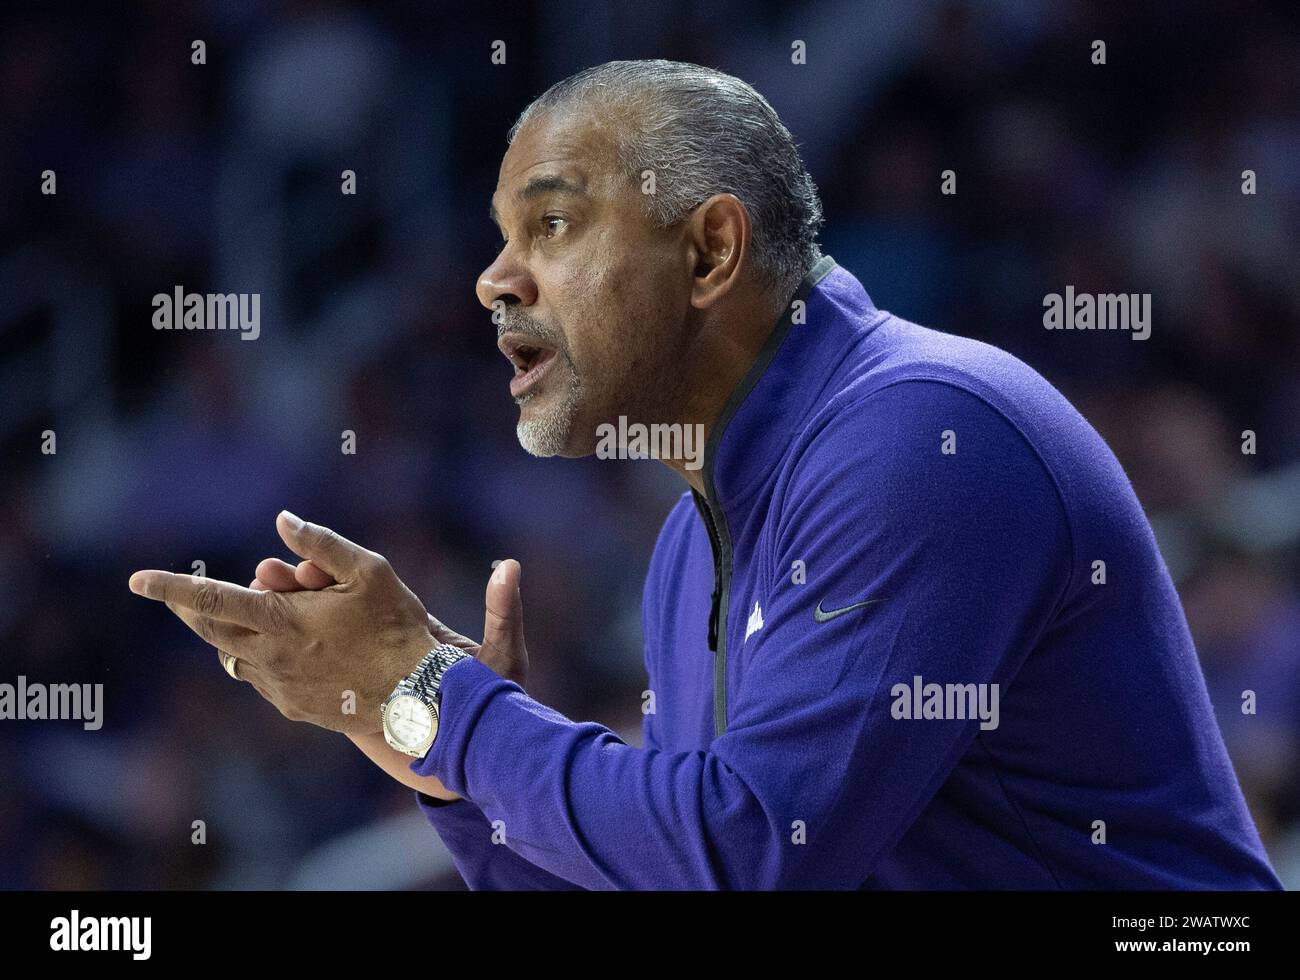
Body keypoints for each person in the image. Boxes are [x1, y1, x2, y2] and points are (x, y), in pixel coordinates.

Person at [130, 60, 1282, 890]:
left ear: (710, 251)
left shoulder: (926, 437)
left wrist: (443, 704)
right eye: (497, 237)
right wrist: (433, 759)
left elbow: (749, 850)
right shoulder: (697, 535)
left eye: (552, 227)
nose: (492, 280)